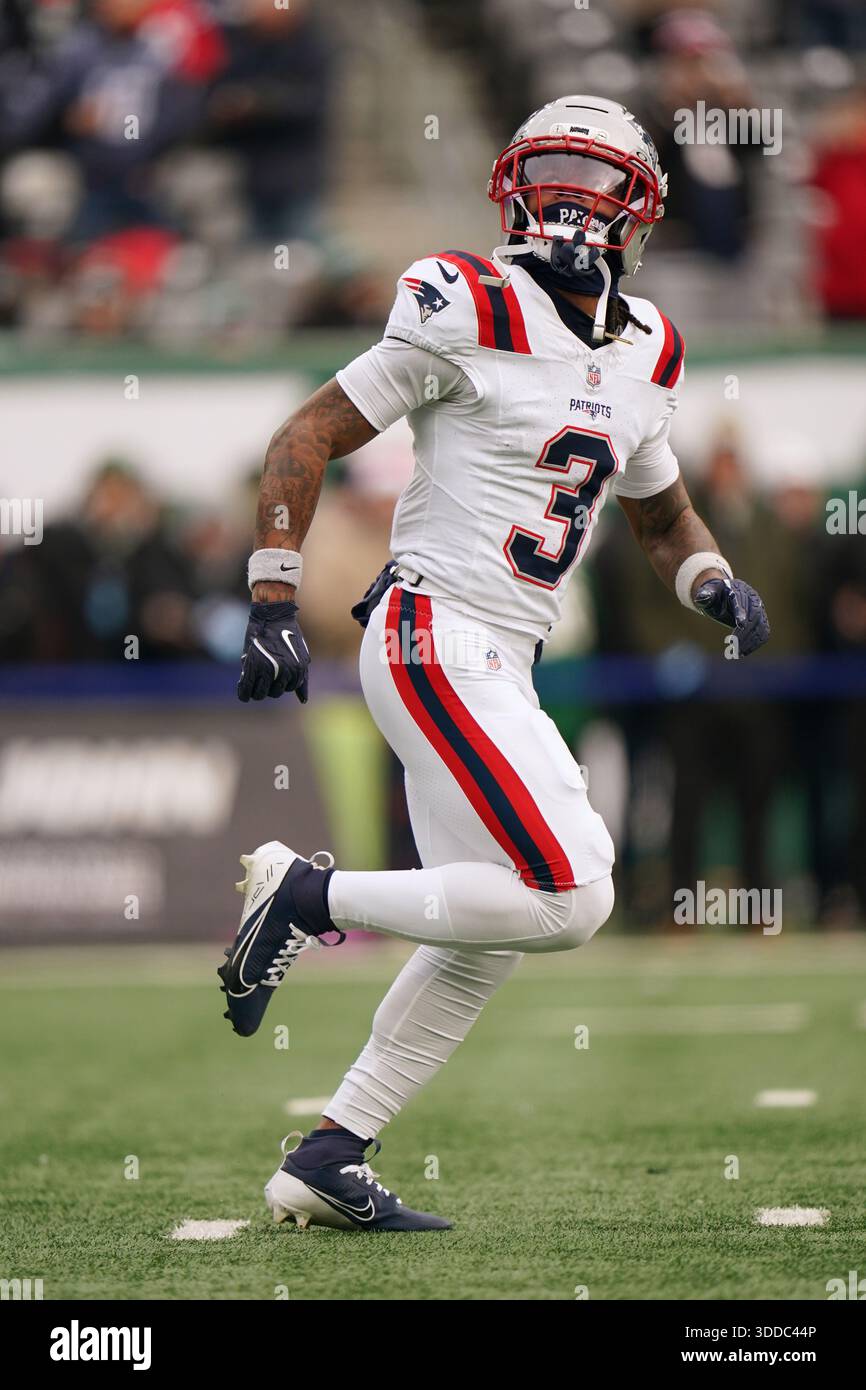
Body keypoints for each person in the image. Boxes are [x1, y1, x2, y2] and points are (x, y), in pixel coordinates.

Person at [218, 96, 770, 1232]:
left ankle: (329, 1152)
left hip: (497, 652)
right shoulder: (463, 302)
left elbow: (662, 518)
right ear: (512, 187)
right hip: (432, 627)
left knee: (491, 930)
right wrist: (273, 590)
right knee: (572, 894)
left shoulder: (645, 346)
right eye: (554, 166)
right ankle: (304, 892)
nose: (572, 192)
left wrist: (710, 581)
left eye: (595, 170)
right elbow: (307, 432)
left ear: (640, 205)